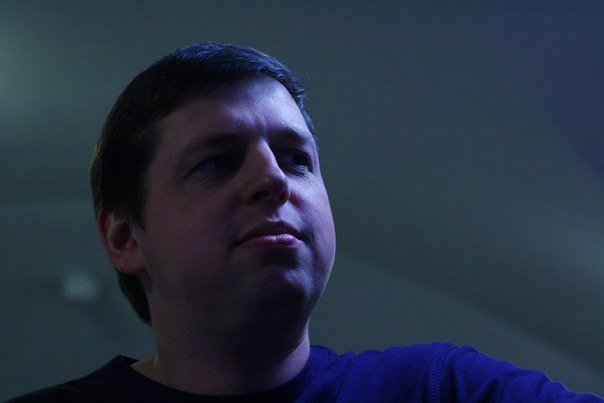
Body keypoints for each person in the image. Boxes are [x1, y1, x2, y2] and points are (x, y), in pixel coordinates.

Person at [8, 42, 603, 402]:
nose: (274, 181)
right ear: (123, 236)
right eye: (217, 162)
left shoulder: (446, 390)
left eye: (296, 159)